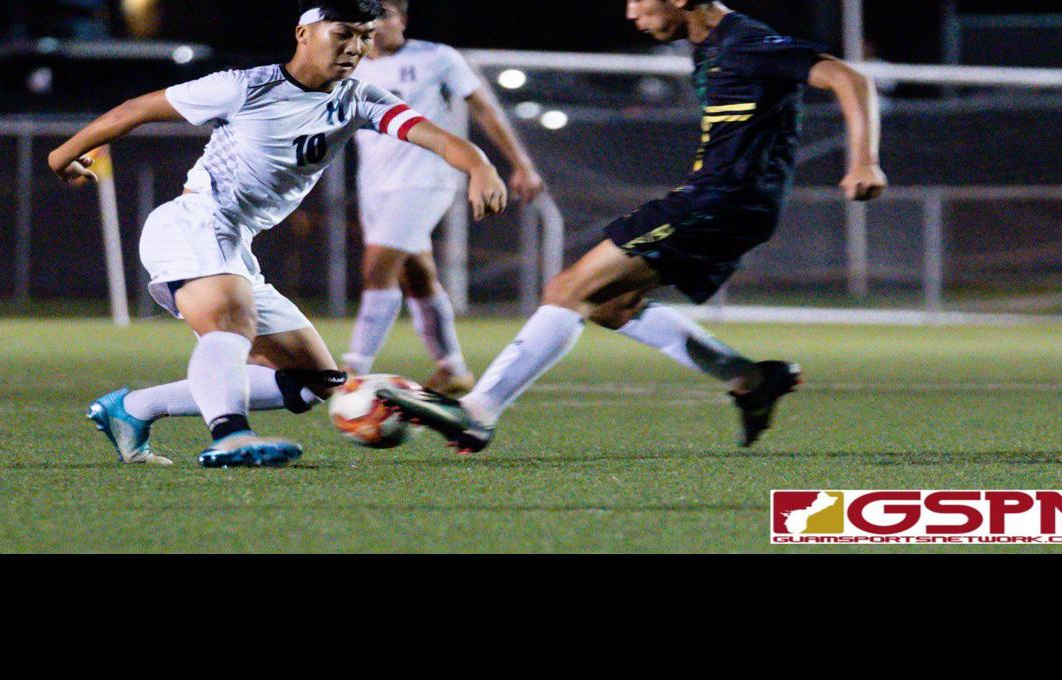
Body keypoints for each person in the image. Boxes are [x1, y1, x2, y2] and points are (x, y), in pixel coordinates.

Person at [377, 0, 886, 454]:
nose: (630, 14)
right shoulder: (706, 45)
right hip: (722, 203)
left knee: (568, 289)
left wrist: (864, 161)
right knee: (609, 303)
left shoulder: (747, 41)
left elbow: (849, 78)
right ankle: (750, 379)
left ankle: (479, 413)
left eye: (639, 1)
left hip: (720, 204)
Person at [48, 0, 507, 467]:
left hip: (235, 244)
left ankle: (131, 409)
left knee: (315, 383)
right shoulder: (245, 86)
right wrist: (62, 155)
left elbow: (432, 135)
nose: (356, 47)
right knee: (231, 322)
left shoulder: (359, 99)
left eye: (365, 36)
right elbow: (137, 109)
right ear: (304, 33)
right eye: (343, 33)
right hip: (194, 223)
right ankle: (230, 436)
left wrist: (479, 164)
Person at [344, 0, 545, 397]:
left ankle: (351, 370)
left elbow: (485, 109)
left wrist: (521, 164)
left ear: (401, 19)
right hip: (374, 185)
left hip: (425, 179)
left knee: (377, 268)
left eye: (383, 14)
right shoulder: (352, 64)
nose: (375, 24)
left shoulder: (436, 57)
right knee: (416, 275)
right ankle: (452, 367)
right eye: (367, 16)